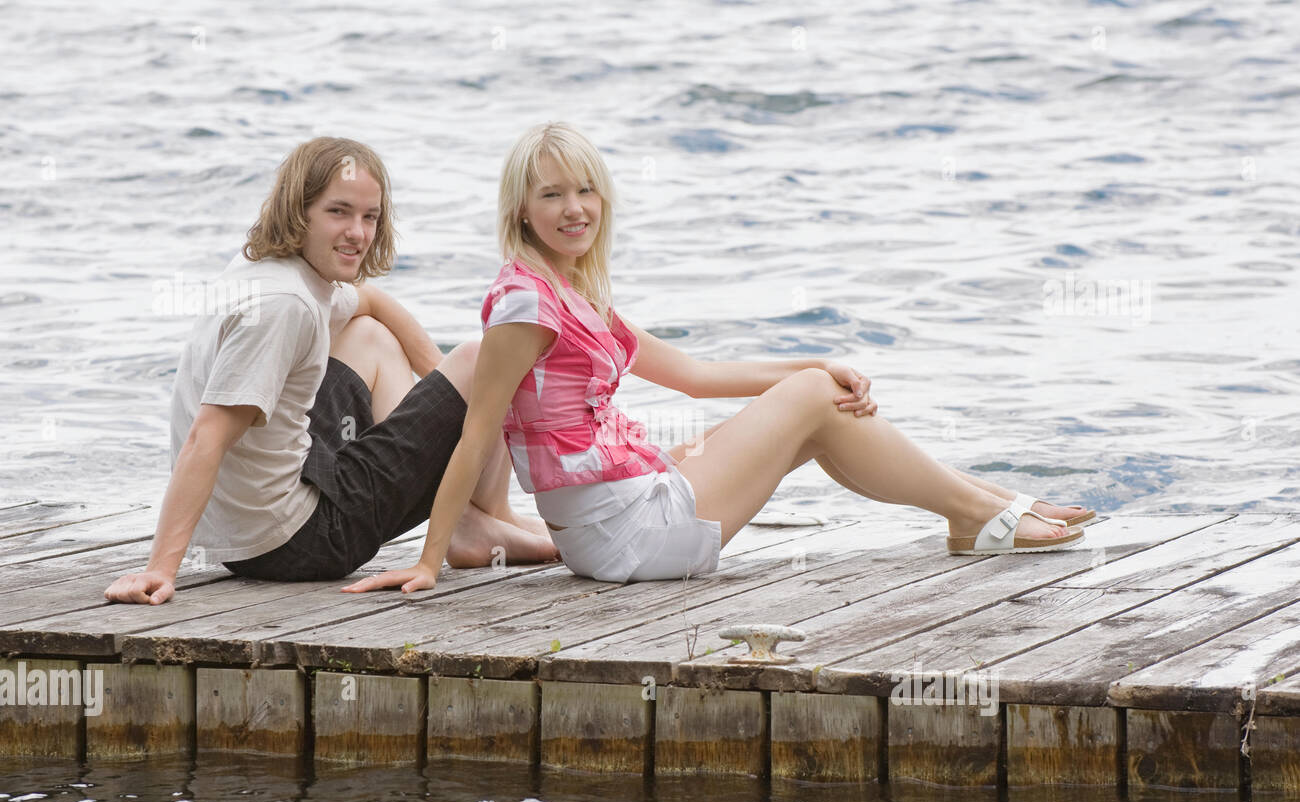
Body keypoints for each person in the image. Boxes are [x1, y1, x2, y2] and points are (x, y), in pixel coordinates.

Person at [342, 123, 1095, 595]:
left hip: (628, 506)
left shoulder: (573, 294)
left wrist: (819, 361)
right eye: (552, 195)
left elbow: (695, 376)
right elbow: (477, 432)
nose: (575, 208)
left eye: (587, 191)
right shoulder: (526, 304)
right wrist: (430, 560)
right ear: (521, 212)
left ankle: (985, 503)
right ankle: (982, 513)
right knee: (807, 400)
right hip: (620, 535)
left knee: (817, 406)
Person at [105, 137, 555, 605]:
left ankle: (472, 519)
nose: (358, 233)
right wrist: (160, 568)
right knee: (485, 357)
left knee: (369, 335)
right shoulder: (285, 305)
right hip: (303, 539)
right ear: (298, 212)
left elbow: (373, 301)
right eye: (338, 212)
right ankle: (481, 518)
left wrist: (440, 412)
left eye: (370, 216)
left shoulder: (270, 269)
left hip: (249, 527)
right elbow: (208, 436)